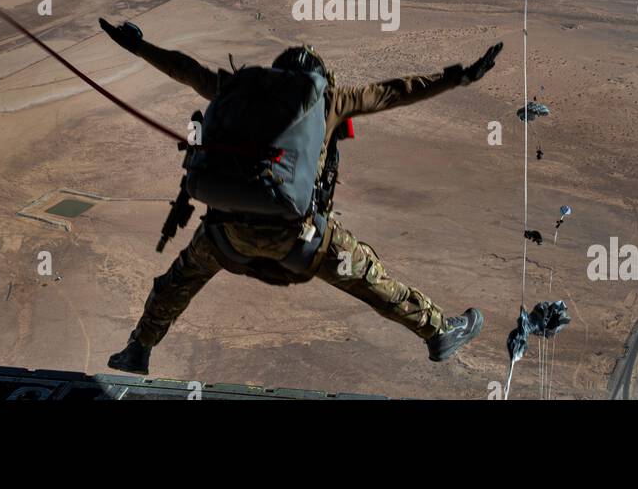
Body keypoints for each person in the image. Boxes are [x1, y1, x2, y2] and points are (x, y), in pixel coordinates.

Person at [99, 18, 502, 374]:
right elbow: (396, 91)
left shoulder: (236, 91)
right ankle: (438, 332)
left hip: (227, 235)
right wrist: (458, 77)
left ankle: (138, 349)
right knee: (367, 276)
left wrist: (136, 45)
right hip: (302, 241)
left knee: (179, 279)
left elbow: (186, 70)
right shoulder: (327, 101)